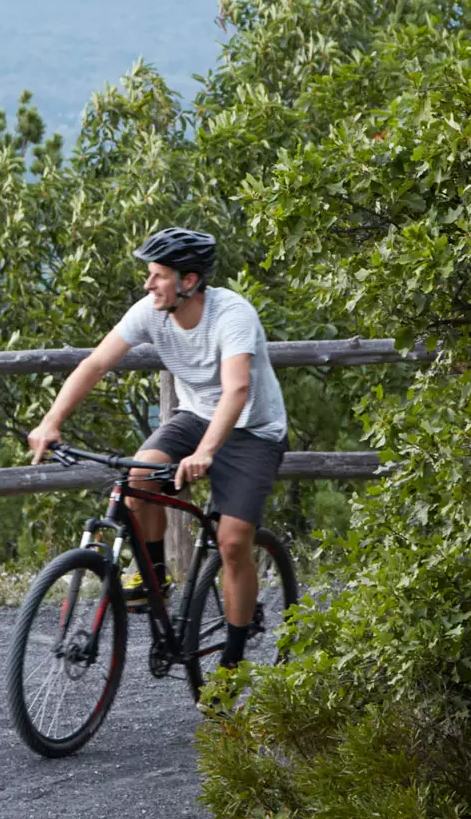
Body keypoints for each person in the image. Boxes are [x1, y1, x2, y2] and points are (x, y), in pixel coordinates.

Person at [26, 227, 288, 668]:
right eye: (149, 275)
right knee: (139, 477)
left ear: (189, 281)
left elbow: (238, 389)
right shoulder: (150, 312)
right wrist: (51, 421)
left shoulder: (232, 315)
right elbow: (95, 363)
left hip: (252, 430)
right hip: (193, 418)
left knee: (232, 540)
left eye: (158, 276)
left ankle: (233, 663)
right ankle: (154, 579)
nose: (148, 285)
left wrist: (206, 451)